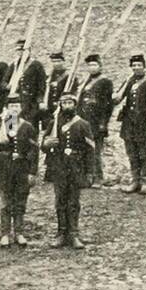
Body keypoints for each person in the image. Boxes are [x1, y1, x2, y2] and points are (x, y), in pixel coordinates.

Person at [42, 90, 93, 249]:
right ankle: (61, 232)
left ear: (75, 105)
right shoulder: (53, 123)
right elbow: (43, 144)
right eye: (64, 103)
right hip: (58, 166)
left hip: (76, 167)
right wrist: (46, 144)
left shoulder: (83, 124)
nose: (67, 106)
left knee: (74, 201)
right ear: (60, 105)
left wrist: (90, 172)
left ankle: (74, 234)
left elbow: (90, 150)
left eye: (70, 103)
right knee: (60, 200)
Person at [115, 53, 146, 194]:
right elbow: (117, 99)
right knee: (132, 153)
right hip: (129, 123)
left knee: (144, 153)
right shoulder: (129, 82)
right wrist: (126, 84)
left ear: (144, 67)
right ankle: (135, 181)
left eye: (139, 65)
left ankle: (145, 182)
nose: (136, 68)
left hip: (143, 123)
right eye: (134, 66)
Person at [0, 100, 38, 247]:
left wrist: (32, 172)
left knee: (20, 201)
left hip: (21, 168)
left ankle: (19, 232)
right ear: (7, 108)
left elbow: (33, 150)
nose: (14, 109)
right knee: (6, 202)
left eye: (17, 106)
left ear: (21, 108)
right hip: (5, 168)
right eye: (11, 106)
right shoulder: (3, 124)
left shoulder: (28, 126)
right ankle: (5, 233)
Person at [76, 53, 114, 187]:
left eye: (94, 65)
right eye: (90, 65)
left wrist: (104, 123)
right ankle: (87, 176)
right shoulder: (85, 81)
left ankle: (98, 177)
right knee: (83, 148)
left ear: (100, 66)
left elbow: (108, 106)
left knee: (95, 150)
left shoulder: (105, 82)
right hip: (84, 119)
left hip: (96, 121)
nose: (92, 67)